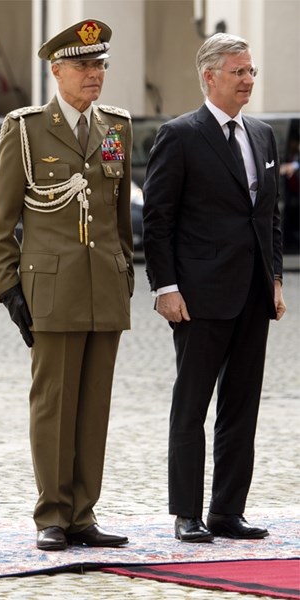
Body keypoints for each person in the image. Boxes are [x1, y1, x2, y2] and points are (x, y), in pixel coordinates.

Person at [0, 19, 134, 551]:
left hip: (105, 287)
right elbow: (2, 223)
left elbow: (118, 214)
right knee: (53, 404)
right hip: (51, 289)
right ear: (57, 70)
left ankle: (82, 514)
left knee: (94, 406)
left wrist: (125, 271)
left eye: (100, 65)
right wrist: (9, 289)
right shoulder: (26, 130)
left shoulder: (116, 127)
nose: (95, 74)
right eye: (83, 65)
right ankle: (51, 513)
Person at [142, 33, 286, 543]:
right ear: (209, 76)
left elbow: (269, 216)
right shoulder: (180, 135)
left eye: (250, 71)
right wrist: (165, 287)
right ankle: (187, 513)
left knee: (241, 408)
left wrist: (274, 279)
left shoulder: (263, 135)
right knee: (192, 407)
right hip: (198, 297)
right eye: (238, 72)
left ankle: (228, 511)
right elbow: (158, 219)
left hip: (252, 294)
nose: (248, 80)